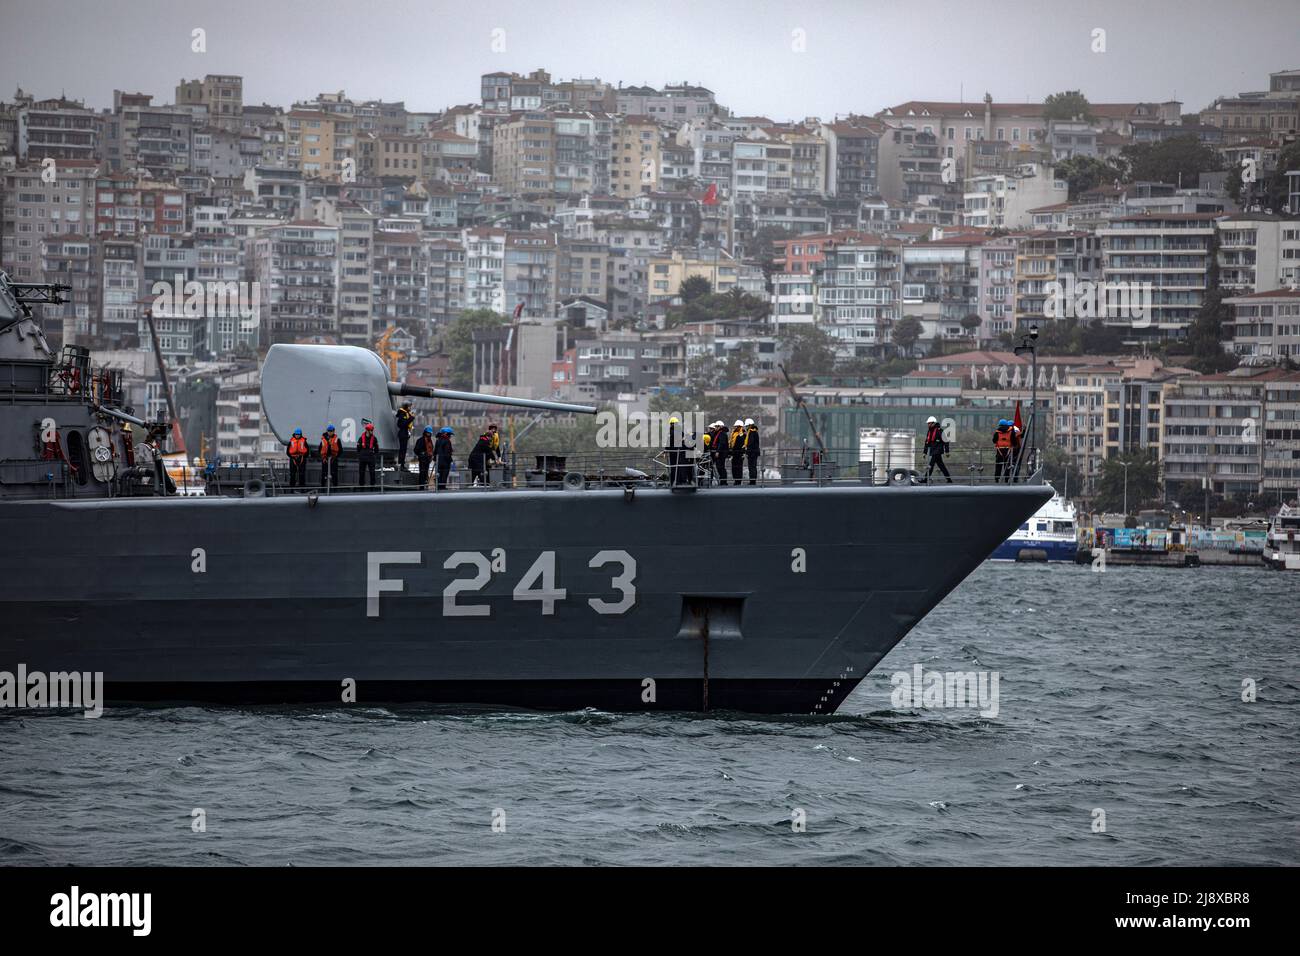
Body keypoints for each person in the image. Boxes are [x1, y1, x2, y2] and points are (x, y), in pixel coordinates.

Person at [924, 415, 952, 483]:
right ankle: (949, 479)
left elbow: (946, 441)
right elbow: (927, 442)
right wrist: (925, 452)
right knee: (941, 466)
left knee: (931, 465)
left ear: (933, 423)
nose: (928, 424)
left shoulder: (940, 431)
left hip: (938, 451)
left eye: (929, 423)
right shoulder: (929, 432)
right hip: (933, 451)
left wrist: (947, 451)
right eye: (928, 423)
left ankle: (925, 479)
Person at [992, 418, 1016, 483]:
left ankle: (997, 479)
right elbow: (1014, 442)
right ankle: (1006, 479)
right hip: (1008, 451)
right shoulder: (1011, 432)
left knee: (998, 465)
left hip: (999, 451)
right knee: (1007, 465)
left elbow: (994, 440)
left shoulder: (997, 432)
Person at [357, 421, 379, 488]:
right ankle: (361, 486)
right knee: (361, 473)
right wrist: (361, 453)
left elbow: (376, 449)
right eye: (371, 430)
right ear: (367, 430)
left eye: (372, 430)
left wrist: (373, 453)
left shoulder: (374, 439)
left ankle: (372, 486)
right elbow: (358, 448)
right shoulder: (361, 439)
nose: (372, 432)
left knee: (372, 472)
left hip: (370, 457)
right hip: (363, 457)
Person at [319, 423, 341, 489]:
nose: (330, 432)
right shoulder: (323, 440)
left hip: (334, 459)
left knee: (334, 474)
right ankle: (323, 488)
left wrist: (335, 457)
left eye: (331, 431)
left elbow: (340, 450)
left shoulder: (337, 440)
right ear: (327, 431)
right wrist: (323, 457)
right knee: (324, 474)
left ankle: (335, 488)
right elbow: (320, 449)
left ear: (334, 431)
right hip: (325, 460)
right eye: (329, 431)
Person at [395, 402, 415, 474]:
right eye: (409, 406)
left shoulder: (406, 413)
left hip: (405, 433)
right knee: (402, 450)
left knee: (404, 450)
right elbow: (403, 424)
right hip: (403, 433)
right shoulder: (402, 414)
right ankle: (401, 465)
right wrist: (411, 418)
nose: (410, 408)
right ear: (406, 407)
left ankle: (402, 464)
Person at [709, 421, 728, 486]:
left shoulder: (722, 433)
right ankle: (722, 481)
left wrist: (718, 451)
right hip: (719, 453)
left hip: (721, 454)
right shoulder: (718, 433)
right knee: (719, 467)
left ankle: (724, 482)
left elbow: (721, 443)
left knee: (721, 467)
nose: (715, 427)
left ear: (720, 427)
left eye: (717, 426)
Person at [743, 418, 761, 486]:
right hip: (754, 452)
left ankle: (752, 482)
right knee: (753, 467)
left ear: (750, 425)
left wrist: (747, 452)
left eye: (747, 426)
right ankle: (753, 481)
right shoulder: (753, 432)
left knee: (752, 467)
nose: (746, 427)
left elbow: (750, 443)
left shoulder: (751, 432)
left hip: (752, 453)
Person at [729, 419, 746, 485]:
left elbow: (743, 445)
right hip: (734, 454)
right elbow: (732, 444)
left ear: (739, 427)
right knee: (734, 468)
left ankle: (738, 481)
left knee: (738, 468)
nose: (735, 427)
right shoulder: (734, 434)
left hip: (739, 454)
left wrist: (743, 453)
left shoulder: (743, 435)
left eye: (736, 426)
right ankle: (735, 480)